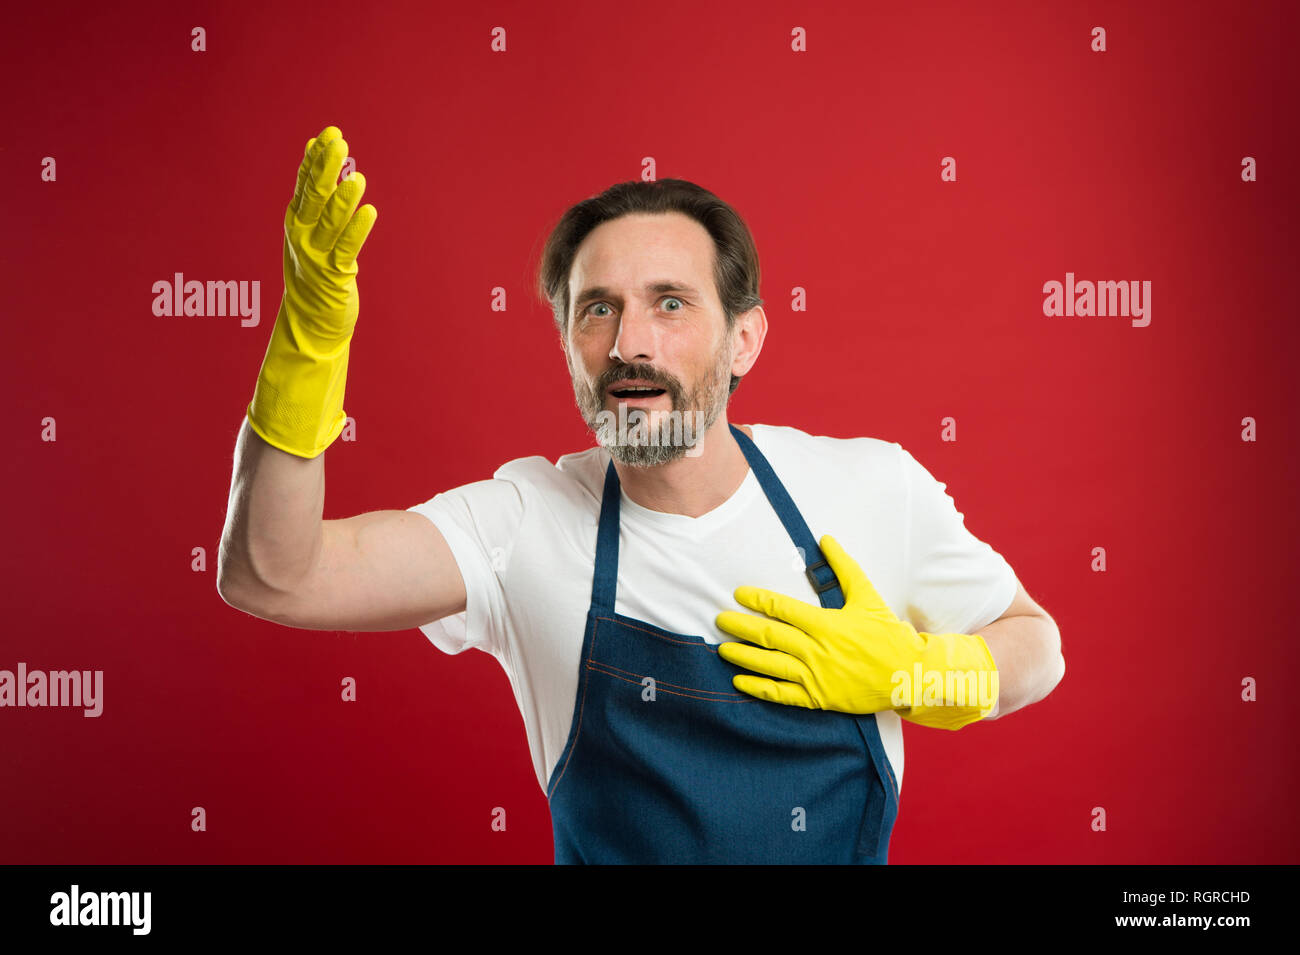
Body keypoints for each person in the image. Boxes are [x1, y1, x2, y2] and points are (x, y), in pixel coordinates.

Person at [218, 125, 1065, 865]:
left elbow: (1037, 647)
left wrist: (927, 673)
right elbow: (275, 575)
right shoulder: (525, 523)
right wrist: (309, 341)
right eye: (597, 310)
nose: (630, 344)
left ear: (744, 338)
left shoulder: (872, 487)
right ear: (567, 343)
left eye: (669, 303)